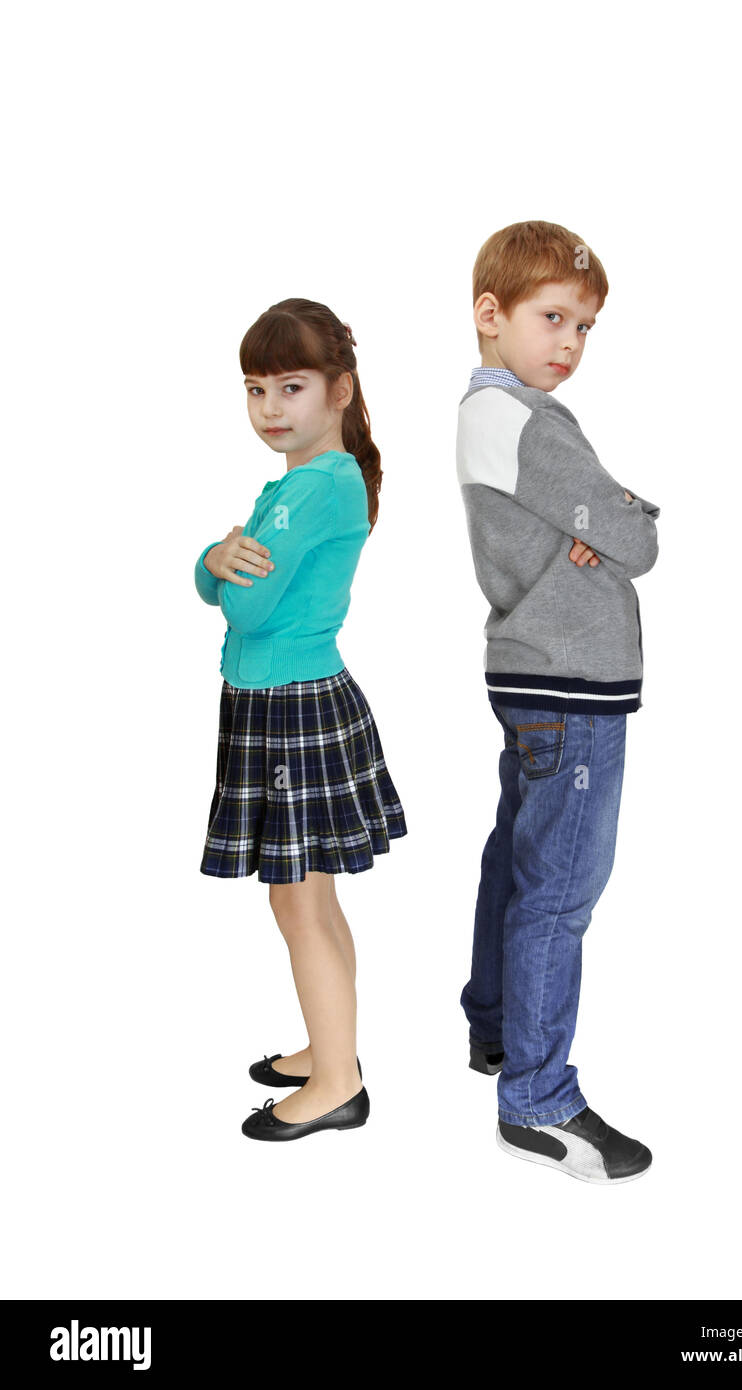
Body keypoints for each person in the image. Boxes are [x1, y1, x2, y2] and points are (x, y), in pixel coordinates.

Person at [456, 221, 661, 1183]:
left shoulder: (508, 414)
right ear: (490, 317)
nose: (570, 343)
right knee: (560, 892)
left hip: (540, 675)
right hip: (569, 684)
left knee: (519, 859)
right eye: (552, 318)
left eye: (584, 326)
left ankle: (497, 1029)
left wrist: (609, 520)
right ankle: (538, 1099)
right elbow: (638, 538)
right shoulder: (525, 421)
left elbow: (608, 525)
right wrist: (625, 515)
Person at [194, 298, 407, 1143]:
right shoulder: (312, 481)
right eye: (255, 389)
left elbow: (240, 605)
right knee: (307, 897)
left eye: (291, 386)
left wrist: (218, 565)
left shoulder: (312, 489)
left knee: (299, 903)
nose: (271, 408)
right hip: (288, 704)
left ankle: (336, 1085)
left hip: (290, 709)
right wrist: (211, 563)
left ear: (340, 390)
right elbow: (221, 579)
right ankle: (333, 1052)